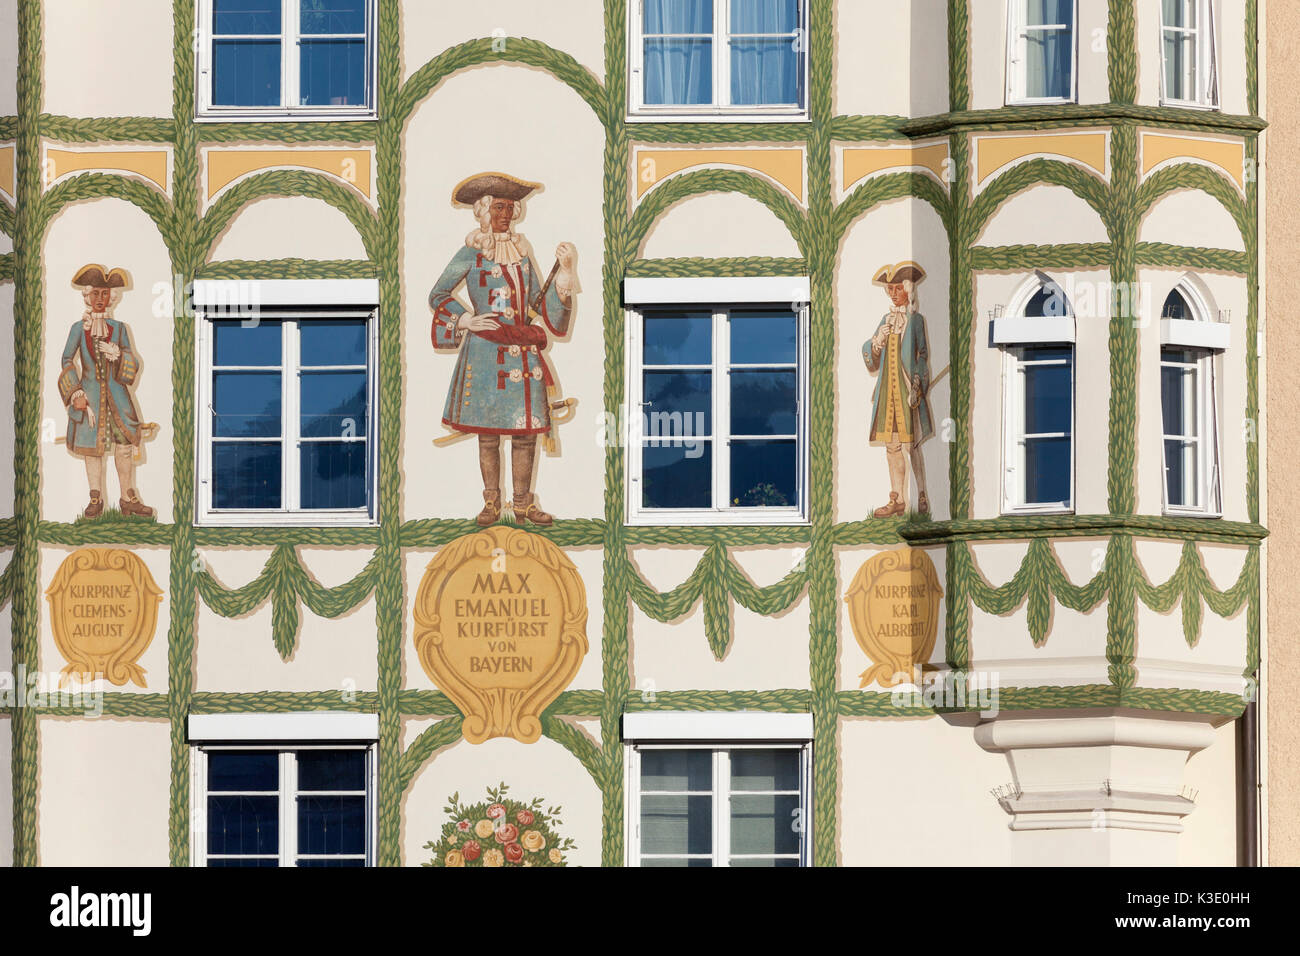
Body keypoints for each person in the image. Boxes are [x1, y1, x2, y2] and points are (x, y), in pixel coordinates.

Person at [428, 172, 578, 527]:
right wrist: (465, 320)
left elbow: (544, 308)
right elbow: (438, 295)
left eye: (510, 207)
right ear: (483, 211)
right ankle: (491, 503)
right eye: (498, 207)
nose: (506, 213)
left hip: (523, 354)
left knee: (526, 435)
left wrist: (566, 276)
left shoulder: (523, 255)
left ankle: (524, 504)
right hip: (485, 355)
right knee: (489, 434)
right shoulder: (471, 252)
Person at [58, 265, 154, 519]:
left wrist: (119, 355)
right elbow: (67, 360)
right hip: (89, 398)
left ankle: (127, 498)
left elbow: (133, 363)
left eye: (105, 294)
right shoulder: (78, 329)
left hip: (118, 399)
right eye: (95, 294)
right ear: (87, 296)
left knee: (123, 447)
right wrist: (76, 393)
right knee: (93, 449)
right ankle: (95, 497)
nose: (100, 299)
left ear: (111, 297)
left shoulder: (120, 328)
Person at [864, 261, 933, 518]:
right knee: (891, 447)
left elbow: (923, 355)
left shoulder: (915, 321)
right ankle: (898, 498)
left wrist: (918, 382)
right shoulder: (885, 319)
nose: (893, 293)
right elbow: (871, 356)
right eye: (889, 289)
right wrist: (876, 343)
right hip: (886, 392)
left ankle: (922, 493)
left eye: (897, 289)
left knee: (911, 446)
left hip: (906, 390)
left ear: (908, 290)